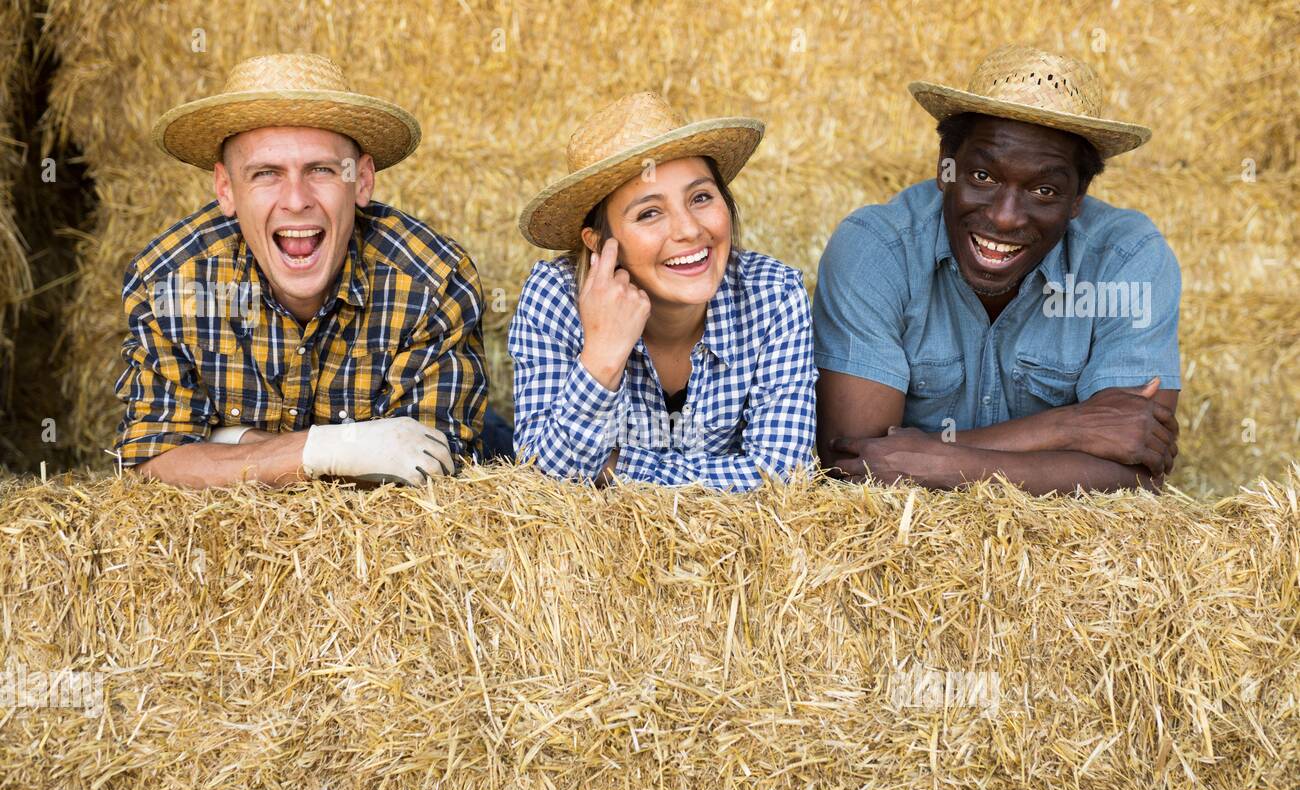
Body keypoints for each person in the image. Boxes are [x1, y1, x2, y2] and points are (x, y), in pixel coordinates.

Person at [113, 53, 495, 488]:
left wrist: (229, 444)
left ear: (363, 181)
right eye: (265, 173)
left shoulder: (434, 282)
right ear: (226, 189)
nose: (296, 200)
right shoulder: (168, 281)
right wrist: (324, 450)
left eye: (320, 169)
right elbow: (151, 461)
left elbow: (430, 468)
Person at [815, 46, 1181, 494]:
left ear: (1078, 198)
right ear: (945, 167)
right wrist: (1069, 428)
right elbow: (854, 463)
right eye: (983, 177)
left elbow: (1139, 471)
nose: (1006, 217)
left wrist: (939, 462)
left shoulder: (1126, 257)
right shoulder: (877, 248)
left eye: (1044, 190)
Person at [510, 92, 817, 490]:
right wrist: (602, 357)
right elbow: (540, 480)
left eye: (701, 197)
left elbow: (783, 477)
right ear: (598, 241)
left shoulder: (774, 296)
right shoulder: (554, 296)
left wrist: (617, 470)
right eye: (649, 213)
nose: (689, 230)